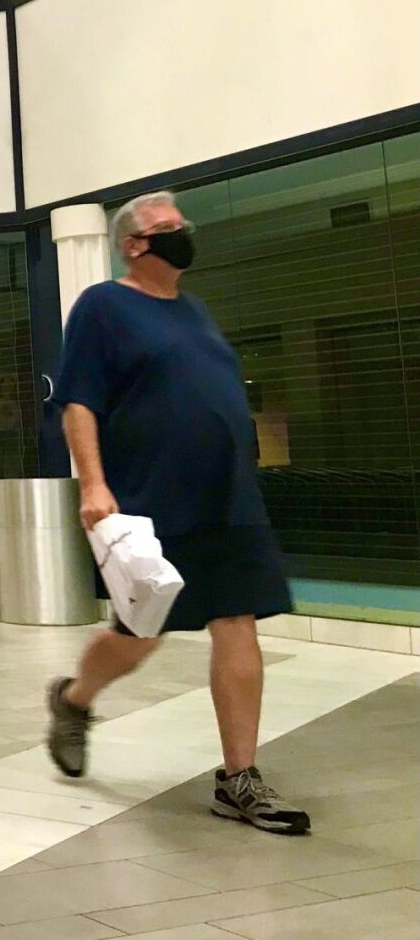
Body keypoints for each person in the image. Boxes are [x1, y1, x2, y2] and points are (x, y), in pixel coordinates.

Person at [45, 190, 308, 835]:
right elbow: (79, 399)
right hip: (153, 500)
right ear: (134, 245)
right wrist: (93, 487)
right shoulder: (105, 306)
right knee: (141, 635)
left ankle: (238, 778)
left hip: (229, 498)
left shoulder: (196, 312)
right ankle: (75, 700)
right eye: (166, 228)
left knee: (238, 621)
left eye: (182, 225)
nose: (180, 233)